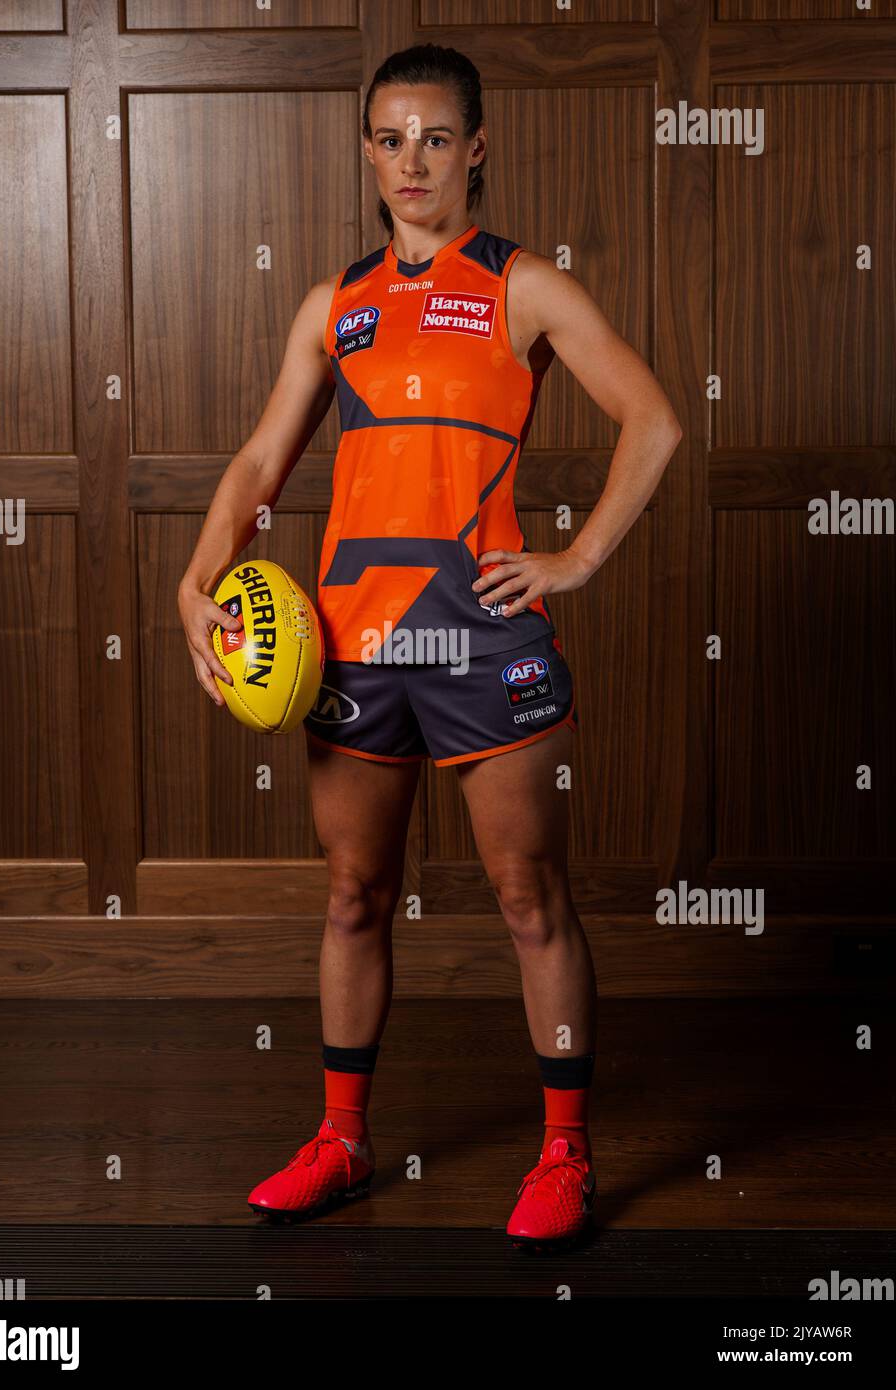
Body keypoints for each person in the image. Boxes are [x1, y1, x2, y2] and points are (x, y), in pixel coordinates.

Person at [178, 43, 681, 1249]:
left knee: (526, 896)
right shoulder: (333, 303)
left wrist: (575, 558)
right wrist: (193, 580)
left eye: (435, 137)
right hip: (350, 645)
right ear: (366, 150)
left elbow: (654, 418)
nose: (412, 160)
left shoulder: (523, 287)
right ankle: (341, 1141)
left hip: (482, 642)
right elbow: (258, 464)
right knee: (355, 893)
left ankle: (565, 1156)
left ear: (476, 147)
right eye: (390, 138)